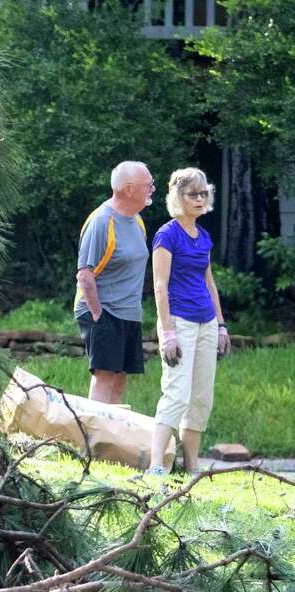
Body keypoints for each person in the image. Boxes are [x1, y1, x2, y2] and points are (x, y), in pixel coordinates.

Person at [147, 167, 229, 475]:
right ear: (178, 197)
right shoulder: (166, 235)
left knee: (201, 398)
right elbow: (159, 285)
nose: (200, 199)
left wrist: (221, 325)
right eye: (193, 194)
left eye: (204, 193)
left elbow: (209, 283)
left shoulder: (203, 236)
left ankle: (191, 467)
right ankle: (156, 467)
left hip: (206, 322)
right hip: (178, 321)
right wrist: (167, 333)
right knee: (177, 394)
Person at [74, 161, 154, 404]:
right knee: (105, 377)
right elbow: (84, 275)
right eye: (148, 184)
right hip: (104, 310)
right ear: (129, 189)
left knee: (119, 380)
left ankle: (112, 429)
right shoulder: (101, 221)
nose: (152, 189)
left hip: (129, 313)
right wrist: (98, 315)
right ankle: (92, 428)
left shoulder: (137, 221)